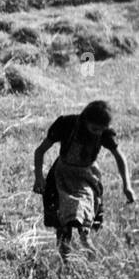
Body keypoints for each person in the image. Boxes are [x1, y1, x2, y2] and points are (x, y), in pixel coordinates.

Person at [33, 99, 133, 260]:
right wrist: (39, 178)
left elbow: (119, 157)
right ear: (85, 120)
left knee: (83, 210)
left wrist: (127, 186)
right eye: (94, 129)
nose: (98, 133)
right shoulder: (67, 125)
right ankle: (64, 257)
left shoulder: (104, 133)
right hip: (62, 175)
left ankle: (87, 245)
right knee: (62, 220)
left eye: (101, 130)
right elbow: (40, 151)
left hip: (87, 177)